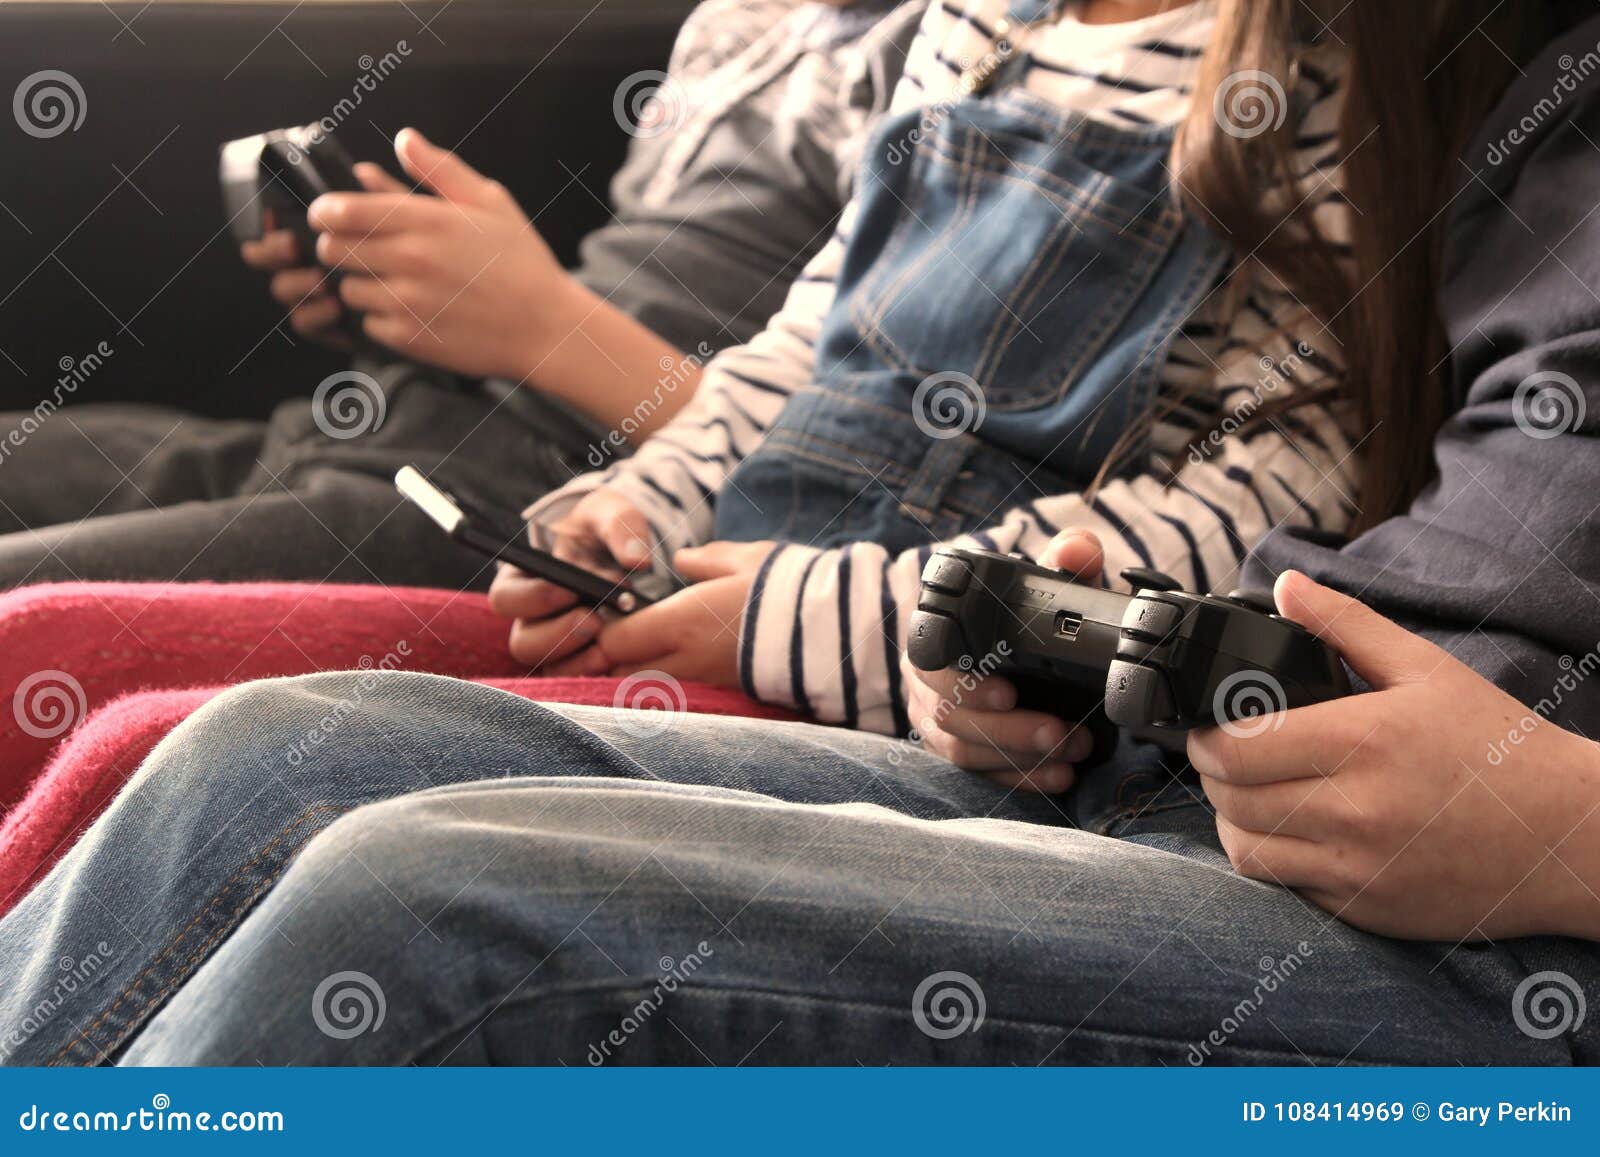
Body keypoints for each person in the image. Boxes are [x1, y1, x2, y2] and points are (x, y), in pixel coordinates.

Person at [6, 0, 1600, 1066]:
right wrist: (1034, 652)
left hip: (1473, 914)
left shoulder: (1344, 87)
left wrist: (1554, 818)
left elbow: (1290, 467)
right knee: (266, 756)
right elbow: (803, 344)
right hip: (1182, 765)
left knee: (409, 898)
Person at [0, 0, 925, 589]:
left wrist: (541, 324)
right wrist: (417, 308)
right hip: (393, 424)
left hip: (528, 498)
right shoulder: (741, 22)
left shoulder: (955, 64)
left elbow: (855, 479)